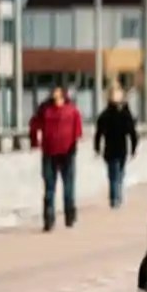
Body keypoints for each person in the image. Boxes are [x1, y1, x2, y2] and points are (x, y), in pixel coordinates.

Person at [29, 85, 84, 232]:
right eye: (54, 93)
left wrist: (74, 145)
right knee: (49, 188)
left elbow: (78, 128)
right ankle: (48, 218)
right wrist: (34, 141)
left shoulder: (71, 110)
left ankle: (70, 215)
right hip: (49, 152)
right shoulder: (45, 110)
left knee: (68, 187)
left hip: (67, 152)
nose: (56, 97)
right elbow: (34, 125)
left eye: (59, 94)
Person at [94, 87, 139, 209]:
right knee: (119, 174)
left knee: (113, 175)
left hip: (111, 149)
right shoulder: (124, 114)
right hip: (120, 149)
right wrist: (134, 147)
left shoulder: (106, 115)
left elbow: (99, 133)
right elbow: (132, 133)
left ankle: (115, 198)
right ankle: (117, 197)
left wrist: (97, 147)